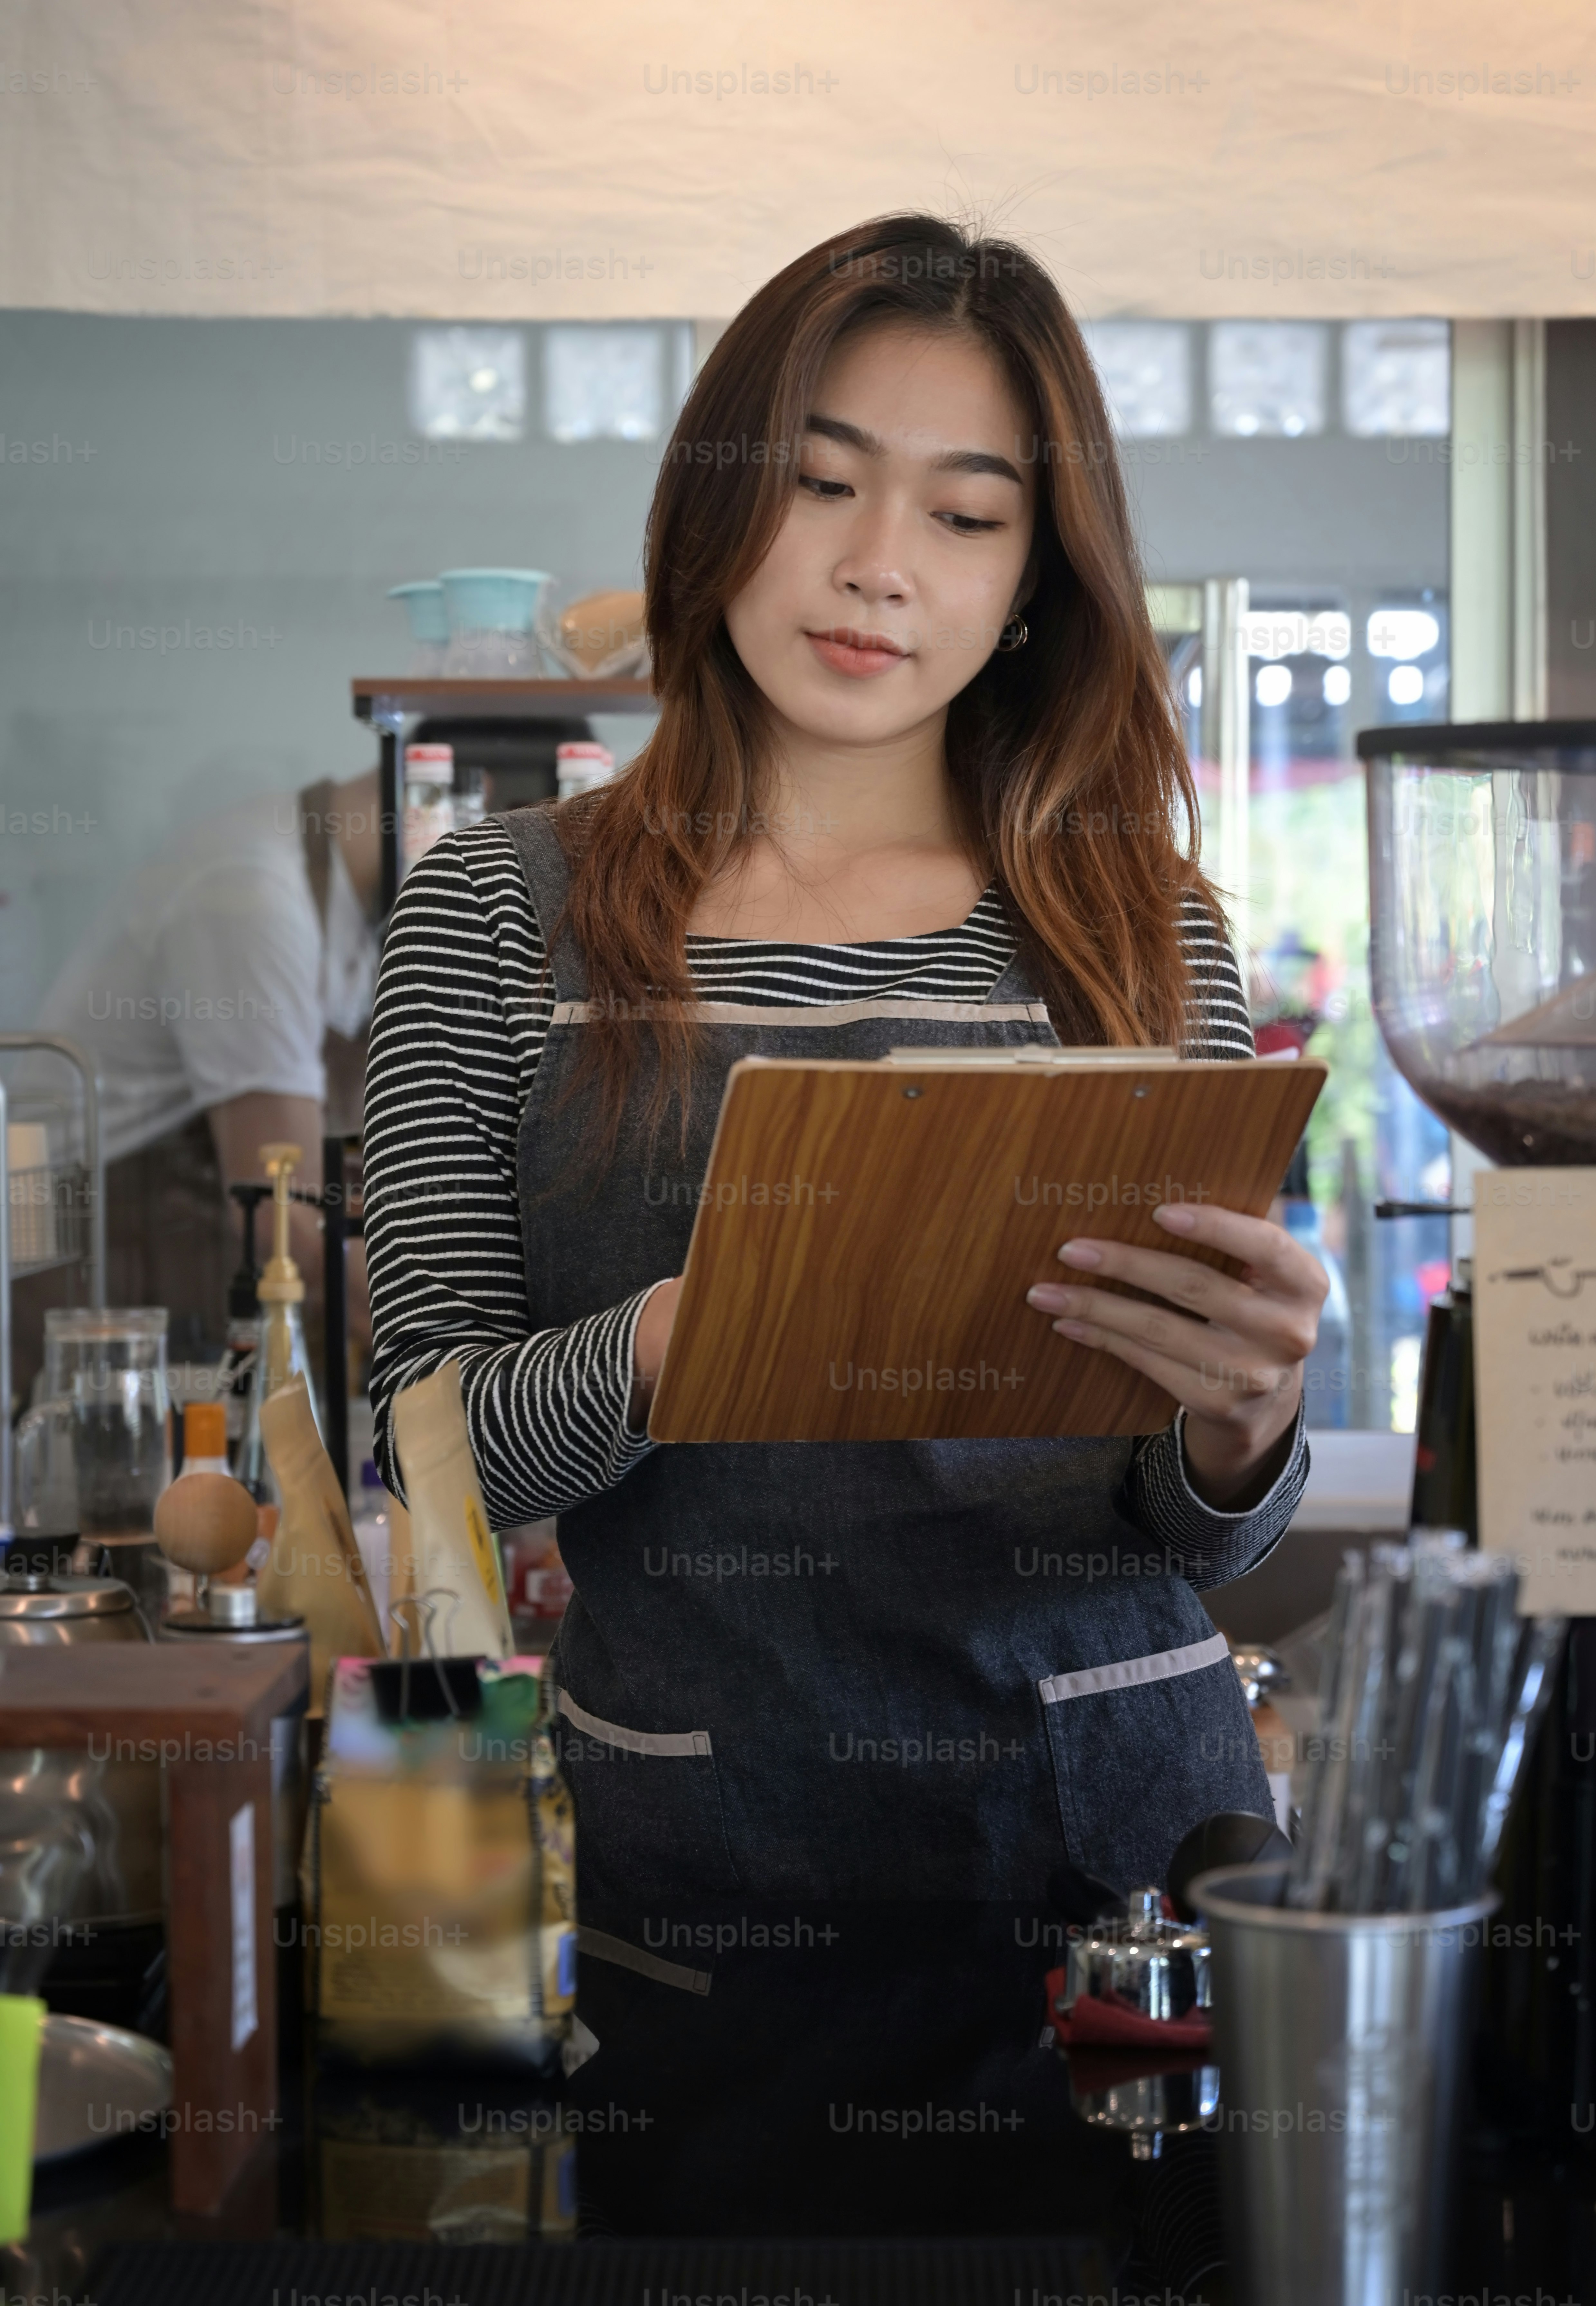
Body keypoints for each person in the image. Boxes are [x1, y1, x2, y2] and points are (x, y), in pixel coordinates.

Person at [363, 214, 1326, 1923]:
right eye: (821, 483)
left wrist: (1242, 1420)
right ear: (713, 503)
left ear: (1030, 576)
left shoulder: (1136, 926)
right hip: (701, 1864)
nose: (881, 562)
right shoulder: (499, 909)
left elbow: (1203, 1538)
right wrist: (684, 1337)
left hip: (1119, 1862)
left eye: (963, 514)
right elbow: (422, 1463)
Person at [37, 770, 381, 1367]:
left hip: (200, 1300)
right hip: (93, 1288)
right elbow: (288, 1223)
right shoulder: (247, 895)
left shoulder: (371, 910)